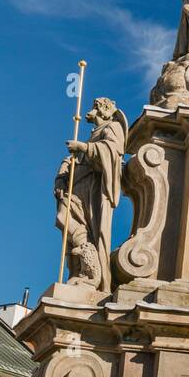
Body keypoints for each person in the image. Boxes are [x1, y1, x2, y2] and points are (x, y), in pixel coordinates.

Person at [55, 97, 127, 291]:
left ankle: (92, 272)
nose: (91, 110)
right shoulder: (93, 133)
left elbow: (112, 152)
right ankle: (81, 269)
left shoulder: (112, 127)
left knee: (67, 218)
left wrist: (84, 148)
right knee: (65, 220)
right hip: (77, 185)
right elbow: (71, 160)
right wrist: (61, 177)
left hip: (92, 188)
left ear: (104, 110)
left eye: (95, 107)